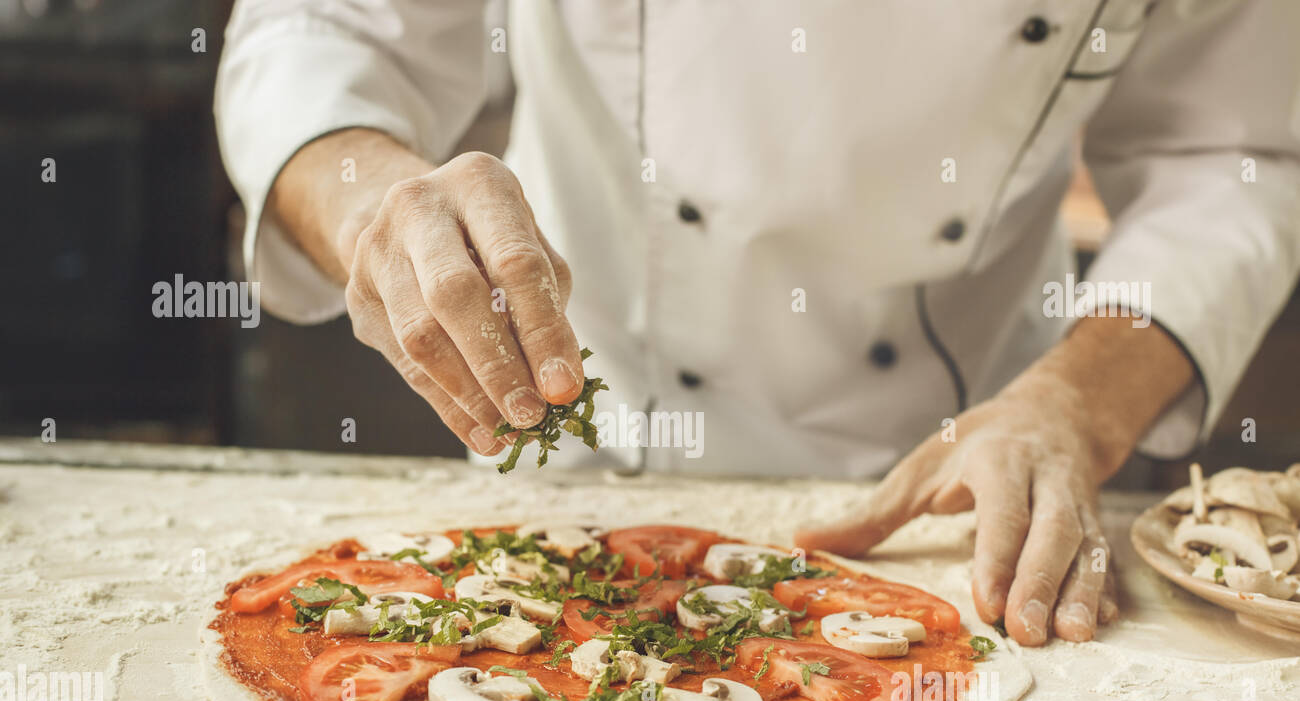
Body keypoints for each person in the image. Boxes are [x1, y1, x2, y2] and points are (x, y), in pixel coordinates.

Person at [214, 0, 1300, 646]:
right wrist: (372, 206)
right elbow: (329, 26)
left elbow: (1231, 154)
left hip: (963, 498)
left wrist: (1078, 399)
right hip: (584, 441)